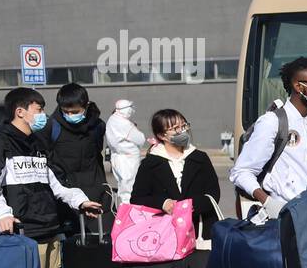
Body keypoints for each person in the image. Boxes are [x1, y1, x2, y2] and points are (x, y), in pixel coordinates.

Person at [0, 87, 103, 268]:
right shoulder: (0, 141)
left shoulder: (38, 143)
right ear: (20, 111)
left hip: (49, 228)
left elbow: (58, 180)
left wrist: (80, 201)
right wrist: (1, 214)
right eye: (38, 109)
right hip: (22, 232)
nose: (43, 115)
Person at [230, 56, 307, 217]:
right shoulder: (273, 122)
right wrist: (269, 203)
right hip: (285, 214)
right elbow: (241, 172)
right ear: (298, 86)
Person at [130, 110, 223, 242]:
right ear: (162, 135)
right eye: (175, 128)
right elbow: (137, 198)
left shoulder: (200, 158)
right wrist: (163, 203)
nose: (182, 131)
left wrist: (189, 206)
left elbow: (213, 193)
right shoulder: (150, 163)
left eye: (184, 126)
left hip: (200, 233)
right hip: (163, 236)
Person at [40, 82, 109, 219]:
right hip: (65, 194)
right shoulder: (51, 126)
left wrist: (103, 188)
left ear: (86, 106)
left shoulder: (98, 126)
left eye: (75, 112)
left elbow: (96, 155)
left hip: (95, 190)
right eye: (66, 112)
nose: (70, 115)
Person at [106, 99, 147, 202]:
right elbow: (140, 138)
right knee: (129, 188)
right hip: (128, 159)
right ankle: (129, 212)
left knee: (122, 186)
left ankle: (123, 210)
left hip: (117, 157)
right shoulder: (124, 123)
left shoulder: (112, 119)